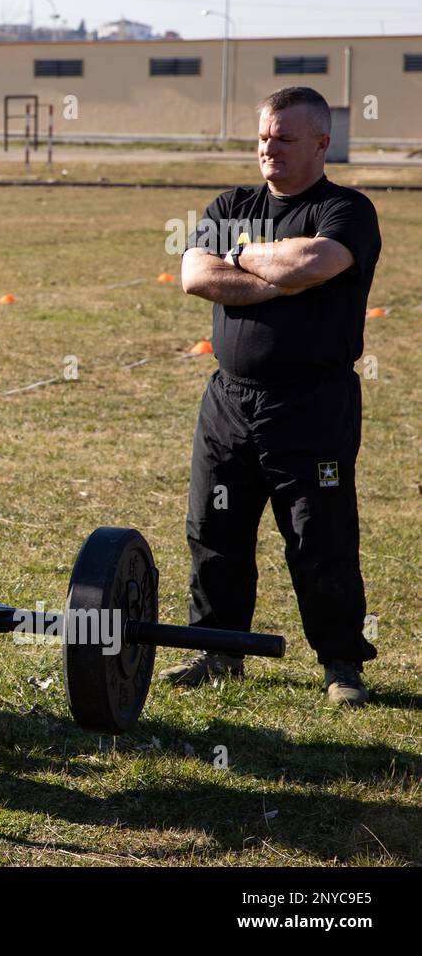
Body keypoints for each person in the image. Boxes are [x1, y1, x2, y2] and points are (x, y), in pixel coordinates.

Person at [165, 86, 380, 706]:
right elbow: (194, 275)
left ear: (320, 143)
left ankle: (341, 664)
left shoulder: (346, 209)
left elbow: (314, 262)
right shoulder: (231, 203)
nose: (269, 148)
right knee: (214, 525)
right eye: (263, 136)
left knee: (320, 534)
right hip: (230, 401)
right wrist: (273, 274)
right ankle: (218, 648)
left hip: (312, 405)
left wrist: (247, 260)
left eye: (284, 138)